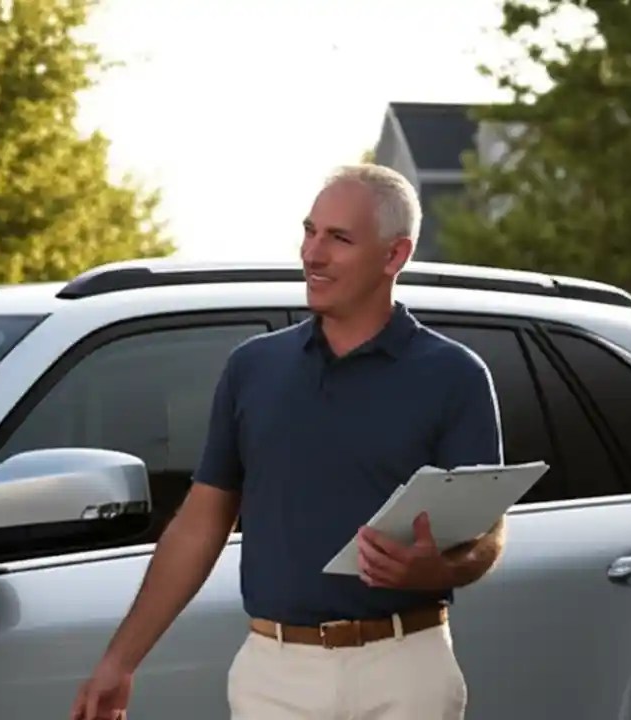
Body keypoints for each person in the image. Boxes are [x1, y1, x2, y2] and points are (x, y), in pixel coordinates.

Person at [69, 164, 507, 720]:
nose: (312, 254)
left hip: (406, 668)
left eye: (339, 238)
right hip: (275, 674)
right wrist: (120, 661)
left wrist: (440, 572)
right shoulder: (254, 368)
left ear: (395, 255)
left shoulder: (454, 375)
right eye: (309, 231)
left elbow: (487, 532)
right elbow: (201, 523)